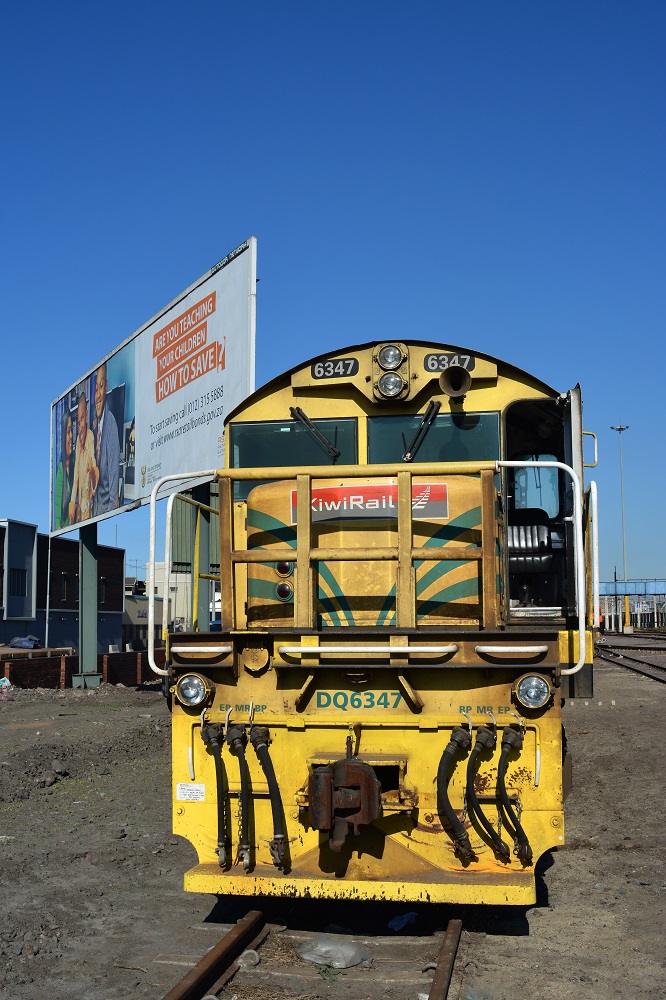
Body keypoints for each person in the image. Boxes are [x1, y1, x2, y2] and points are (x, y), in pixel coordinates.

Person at [92, 362, 121, 516]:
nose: (97, 394)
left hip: (104, 510)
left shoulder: (110, 424)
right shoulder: (95, 428)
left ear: (107, 387)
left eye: (101, 386)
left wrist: (110, 511)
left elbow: (113, 473)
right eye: (96, 388)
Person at [69, 392, 98, 523]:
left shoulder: (90, 436)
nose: (80, 425)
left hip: (89, 504)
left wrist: (92, 473)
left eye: (82, 418)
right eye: (78, 420)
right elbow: (76, 474)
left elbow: (93, 466)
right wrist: (72, 504)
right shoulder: (77, 441)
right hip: (80, 506)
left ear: (86, 416)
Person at [54, 411, 74, 529]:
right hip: (64, 528)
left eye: (72, 431)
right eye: (68, 432)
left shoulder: (75, 459)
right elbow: (57, 508)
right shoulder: (61, 469)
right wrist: (58, 528)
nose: (71, 436)